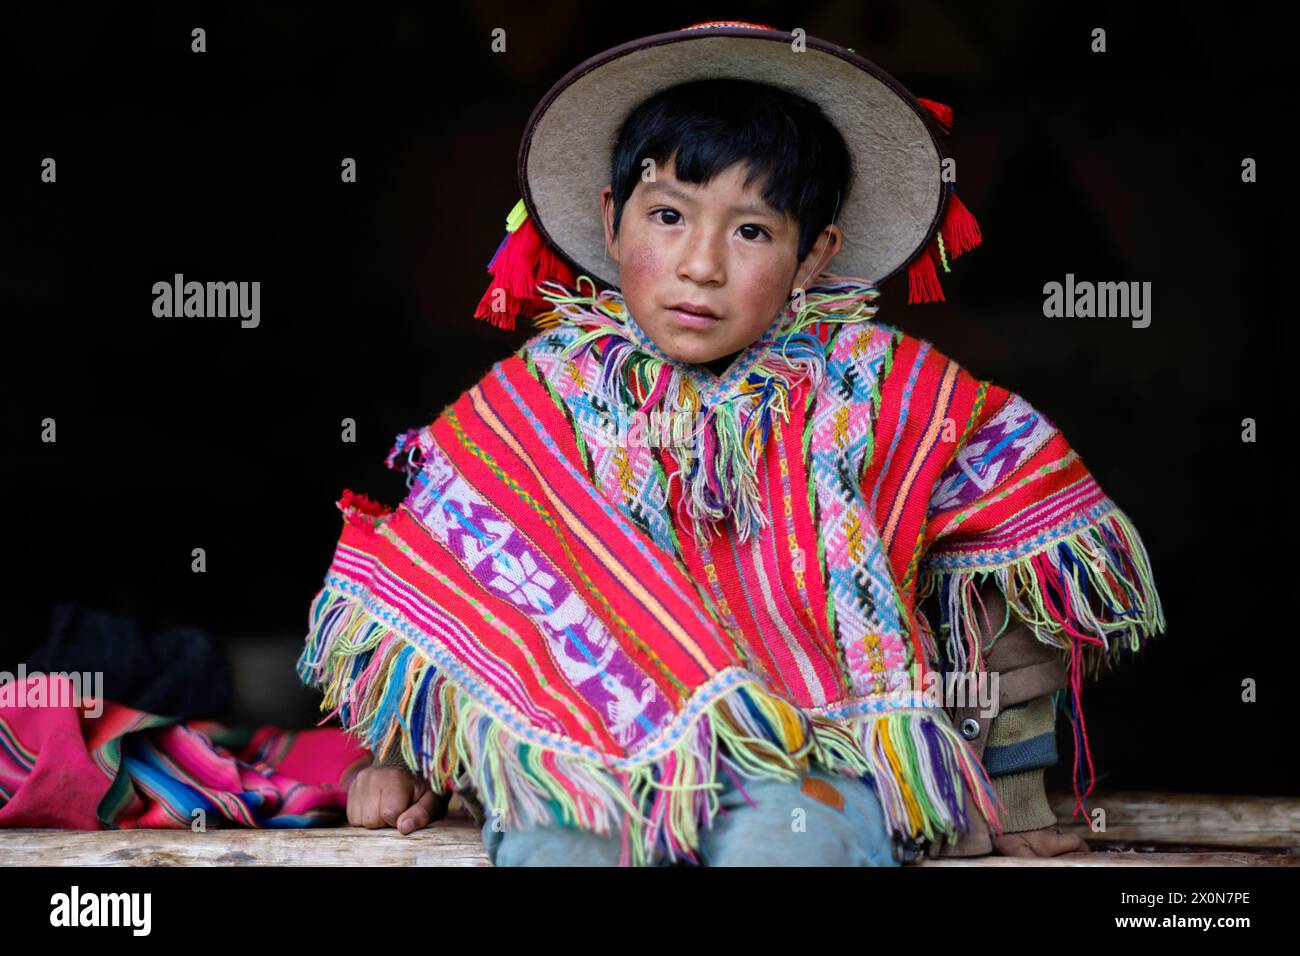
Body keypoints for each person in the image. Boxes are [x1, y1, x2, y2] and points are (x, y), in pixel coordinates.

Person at [302, 21, 1164, 866]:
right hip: (588, 768)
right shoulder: (530, 407)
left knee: (784, 844)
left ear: (814, 254)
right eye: (669, 215)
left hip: (816, 759)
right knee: (559, 844)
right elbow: (448, 607)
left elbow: (1013, 572)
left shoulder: (884, 391)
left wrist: (1010, 791)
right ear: (613, 222)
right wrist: (393, 759)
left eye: (752, 231)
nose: (701, 264)